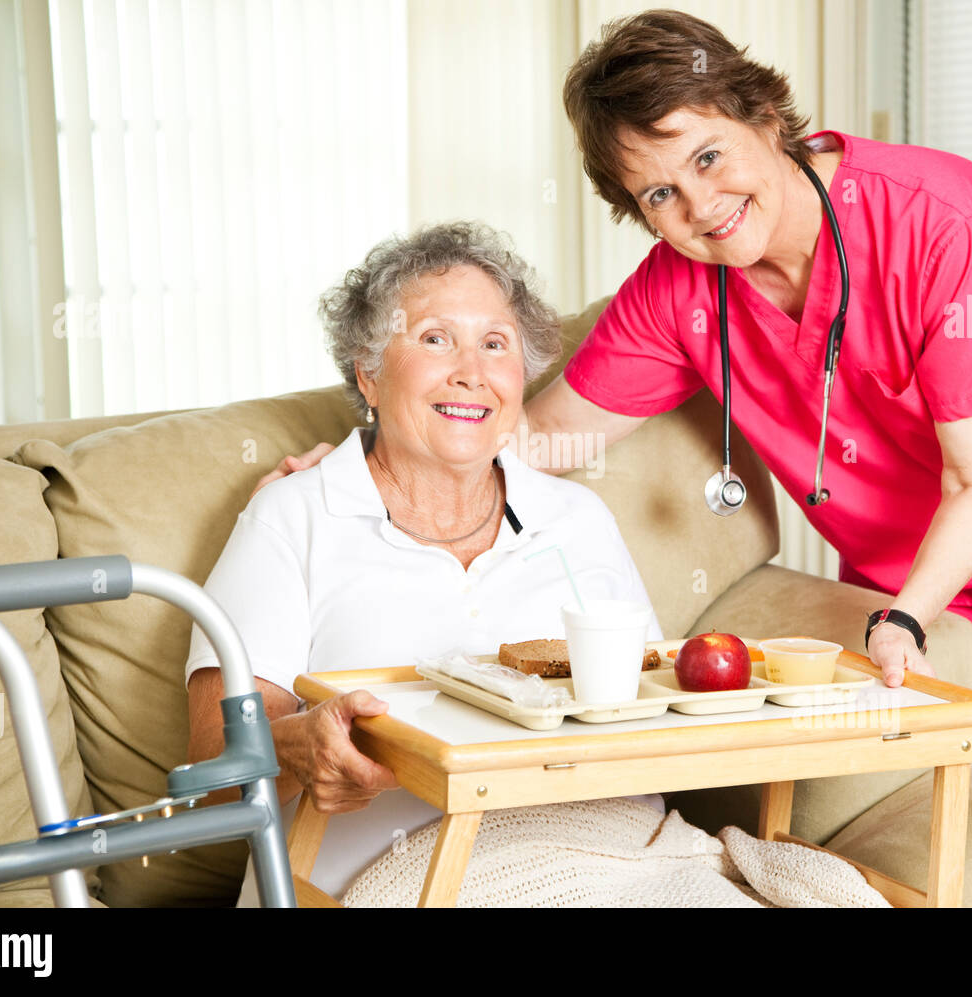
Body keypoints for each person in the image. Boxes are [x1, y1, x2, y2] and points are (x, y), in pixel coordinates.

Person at [258, 11, 972, 908]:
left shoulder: (954, 222)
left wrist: (901, 616)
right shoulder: (676, 291)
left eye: (707, 157)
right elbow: (536, 435)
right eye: (658, 194)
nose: (700, 207)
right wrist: (371, 455)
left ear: (765, 118)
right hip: (905, 536)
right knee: (925, 767)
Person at [184, 221, 665, 906]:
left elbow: (660, 714)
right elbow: (213, 763)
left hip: (608, 864)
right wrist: (298, 747)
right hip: (386, 878)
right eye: (436, 338)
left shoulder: (577, 519)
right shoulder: (293, 515)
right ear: (368, 373)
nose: (471, 371)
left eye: (494, 344)